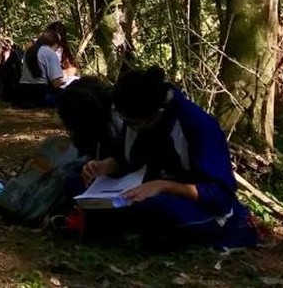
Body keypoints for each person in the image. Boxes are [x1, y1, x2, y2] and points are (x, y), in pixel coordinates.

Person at [78, 66, 258, 249]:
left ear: (157, 112)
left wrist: (163, 186)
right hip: (140, 190)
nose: (129, 127)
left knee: (155, 210)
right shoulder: (134, 117)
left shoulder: (198, 126)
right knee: (75, 184)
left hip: (194, 204)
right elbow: (127, 159)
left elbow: (219, 195)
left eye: (134, 123)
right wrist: (104, 167)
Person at [13, 30, 66, 107]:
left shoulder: (28, 51)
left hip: (23, 91)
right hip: (41, 92)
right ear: (55, 43)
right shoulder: (50, 53)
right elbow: (56, 82)